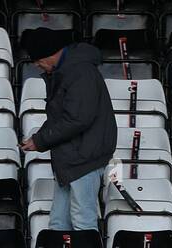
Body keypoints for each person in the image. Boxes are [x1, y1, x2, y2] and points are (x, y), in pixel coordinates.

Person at [18, 30, 118, 233]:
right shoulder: (70, 69)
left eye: (37, 60)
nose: (37, 65)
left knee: (82, 220)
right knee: (58, 223)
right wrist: (39, 139)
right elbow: (63, 116)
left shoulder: (79, 72)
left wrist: (41, 140)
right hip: (72, 155)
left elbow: (77, 119)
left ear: (50, 54)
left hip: (83, 156)